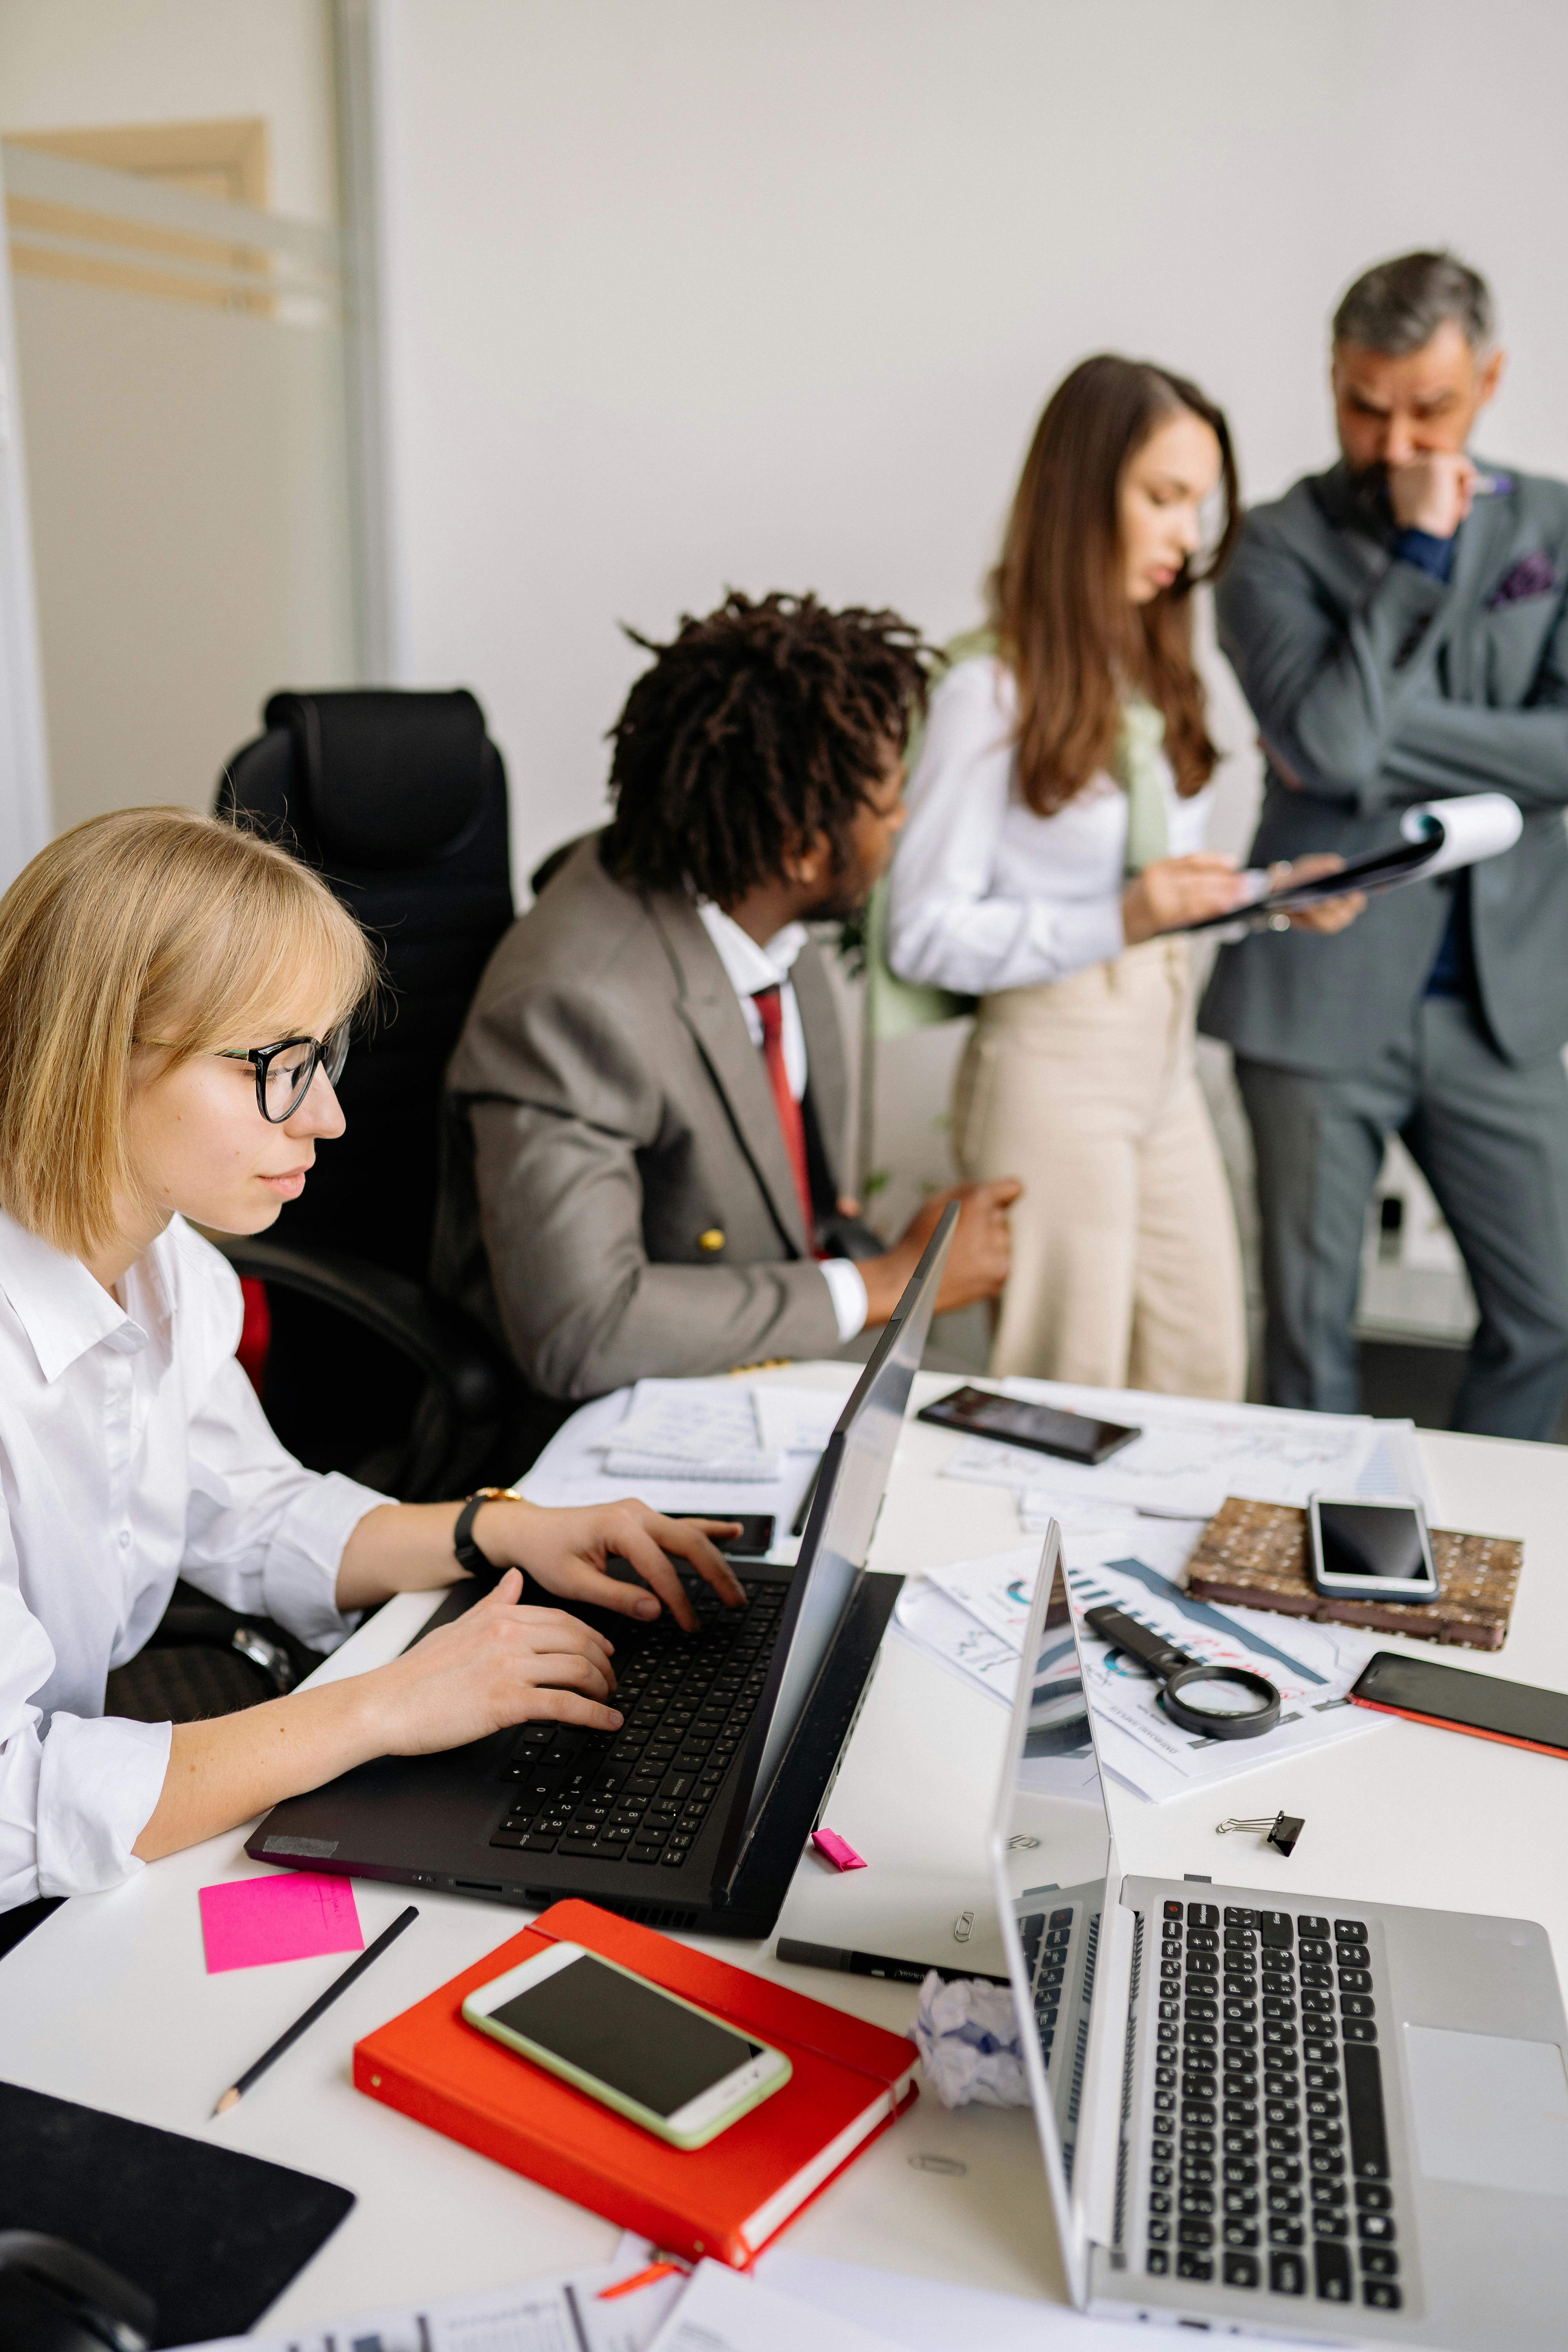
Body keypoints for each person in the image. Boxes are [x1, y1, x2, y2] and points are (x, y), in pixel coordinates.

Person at [0, 807, 747, 1917]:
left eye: (326, 1058)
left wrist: (496, 1526)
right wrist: (385, 1708)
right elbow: (17, 1800)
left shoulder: (169, 1272)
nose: (331, 1118)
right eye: (277, 1065)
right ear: (101, 1049)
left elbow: (248, 1512)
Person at [885, 355, 1358, 1395]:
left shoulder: (1151, 674)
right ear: (1080, 490)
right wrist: (1118, 916)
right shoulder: (987, 690)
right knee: (1064, 1385)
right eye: (1163, 499)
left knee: (1202, 1369)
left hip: (1161, 1054)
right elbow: (921, 932)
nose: (1189, 538)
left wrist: (1268, 896)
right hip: (1055, 1064)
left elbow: (1156, 894)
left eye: (1200, 505)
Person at [434, 591, 1019, 1402]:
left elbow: (795, 1215)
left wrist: (882, 1257)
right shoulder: (573, 1006)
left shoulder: (773, 923)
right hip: (618, 1431)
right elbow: (583, 1330)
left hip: (765, 1376)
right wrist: (876, 1285)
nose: (903, 822)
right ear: (800, 848)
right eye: (886, 806)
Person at [1201, 251, 1568, 1439]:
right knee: (1311, 1344)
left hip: (1503, 1006)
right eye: (1366, 406)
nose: (1399, 442)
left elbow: (1361, 743)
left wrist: (1378, 731)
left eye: (1432, 409)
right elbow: (1331, 748)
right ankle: (1317, 1599)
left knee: (1552, 1317)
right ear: (1331, 380)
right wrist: (1417, 559)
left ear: (1493, 379)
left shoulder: (1554, 527)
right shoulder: (1268, 545)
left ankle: (1477, 1560)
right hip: (1319, 997)